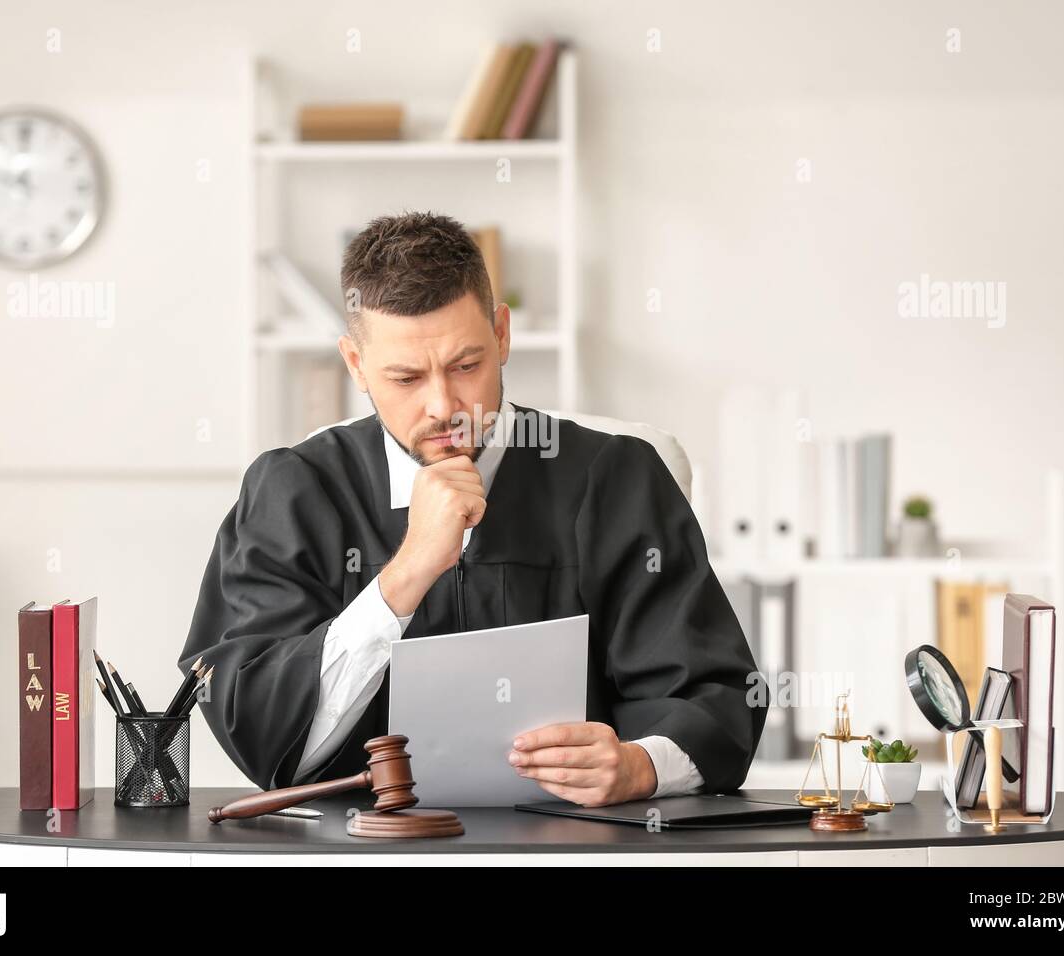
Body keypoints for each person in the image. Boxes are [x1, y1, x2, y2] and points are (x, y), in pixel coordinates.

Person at [179, 211, 766, 807]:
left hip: (572, 841)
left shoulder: (615, 479)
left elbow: (716, 700)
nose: (444, 406)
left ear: (502, 334)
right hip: (363, 843)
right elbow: (270, 742)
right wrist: (407, 572)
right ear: (356, 364)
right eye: (406, 378)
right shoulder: (293, 492)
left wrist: (641, 767)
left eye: (466, 366)